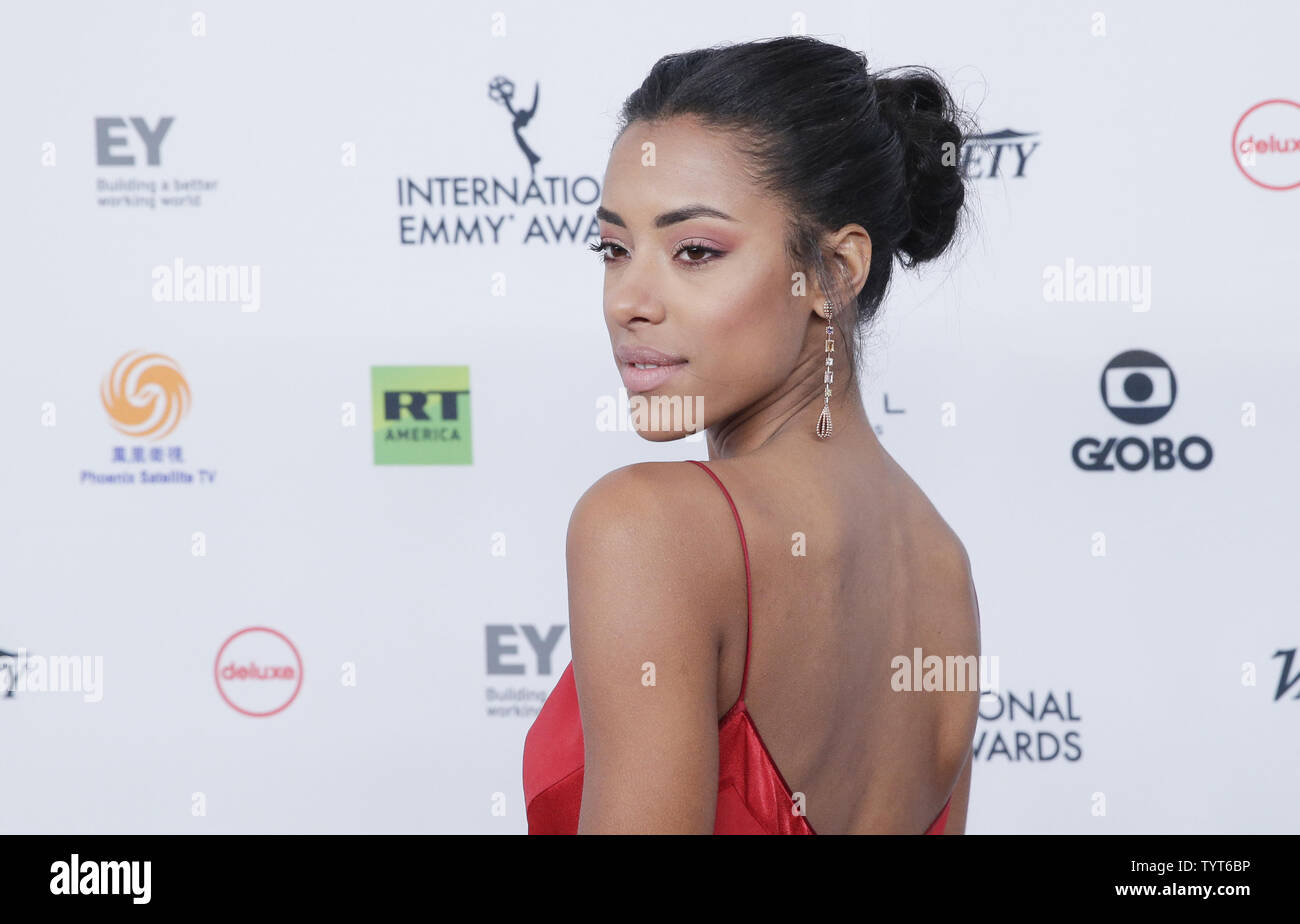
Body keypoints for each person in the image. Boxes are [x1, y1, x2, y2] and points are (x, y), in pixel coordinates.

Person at [523, 34, 982, 834]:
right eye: (614, 249)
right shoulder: (944, 568)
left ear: (835, 273)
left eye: (695, 251)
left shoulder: (649, 525)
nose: (628, 299)